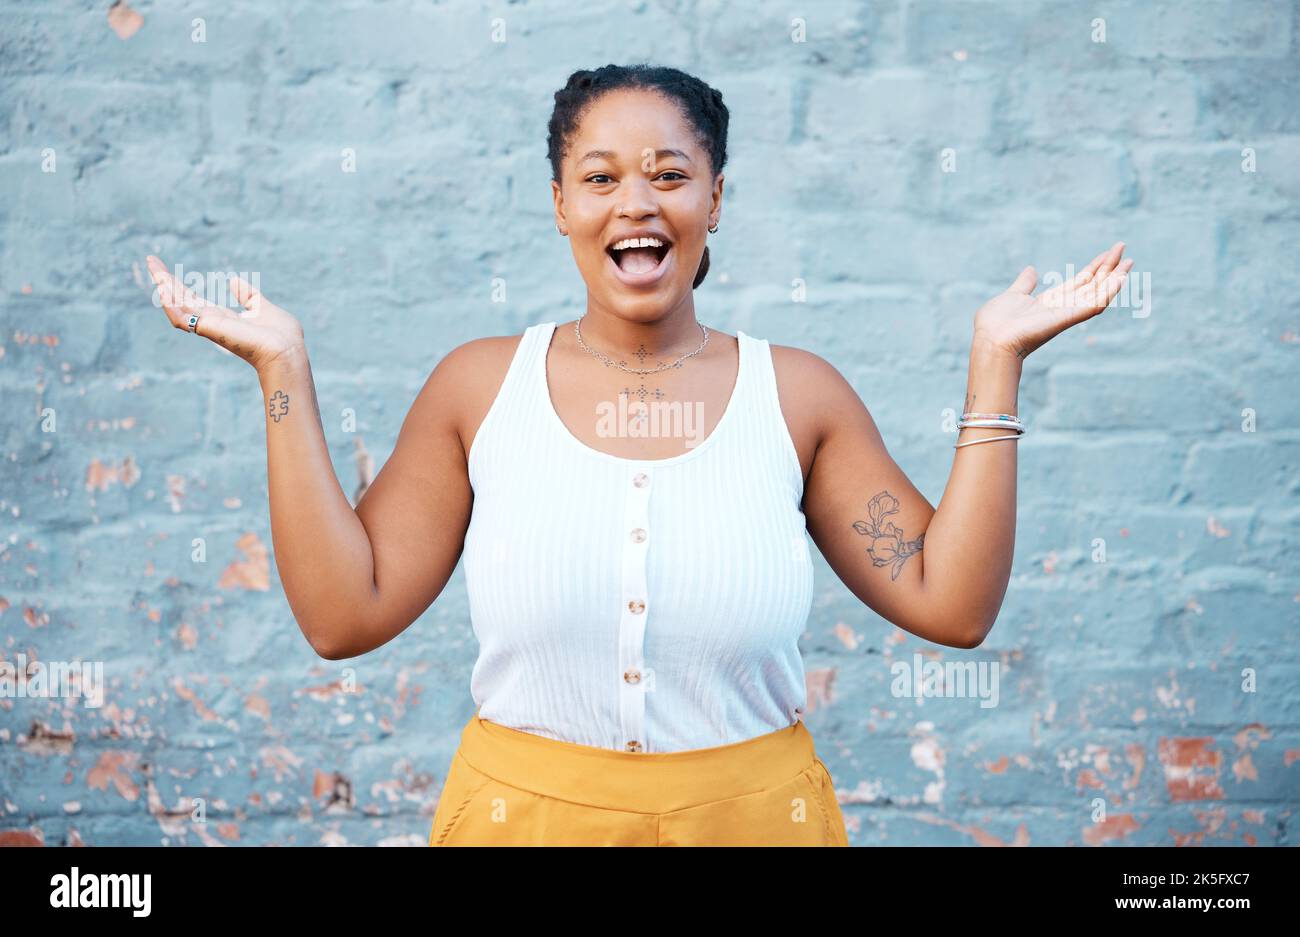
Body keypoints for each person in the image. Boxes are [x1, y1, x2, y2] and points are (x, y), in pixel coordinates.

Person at [144, 63, 1132, 846]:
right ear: (559, 204)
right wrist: (281, 370)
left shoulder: (797, 395)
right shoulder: (478, 387)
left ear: (714, 198)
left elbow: (951, 604)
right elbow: (341, 615)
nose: (637, 203)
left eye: (670, 174)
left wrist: (996, 360)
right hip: (520, 826)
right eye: (600, 177)